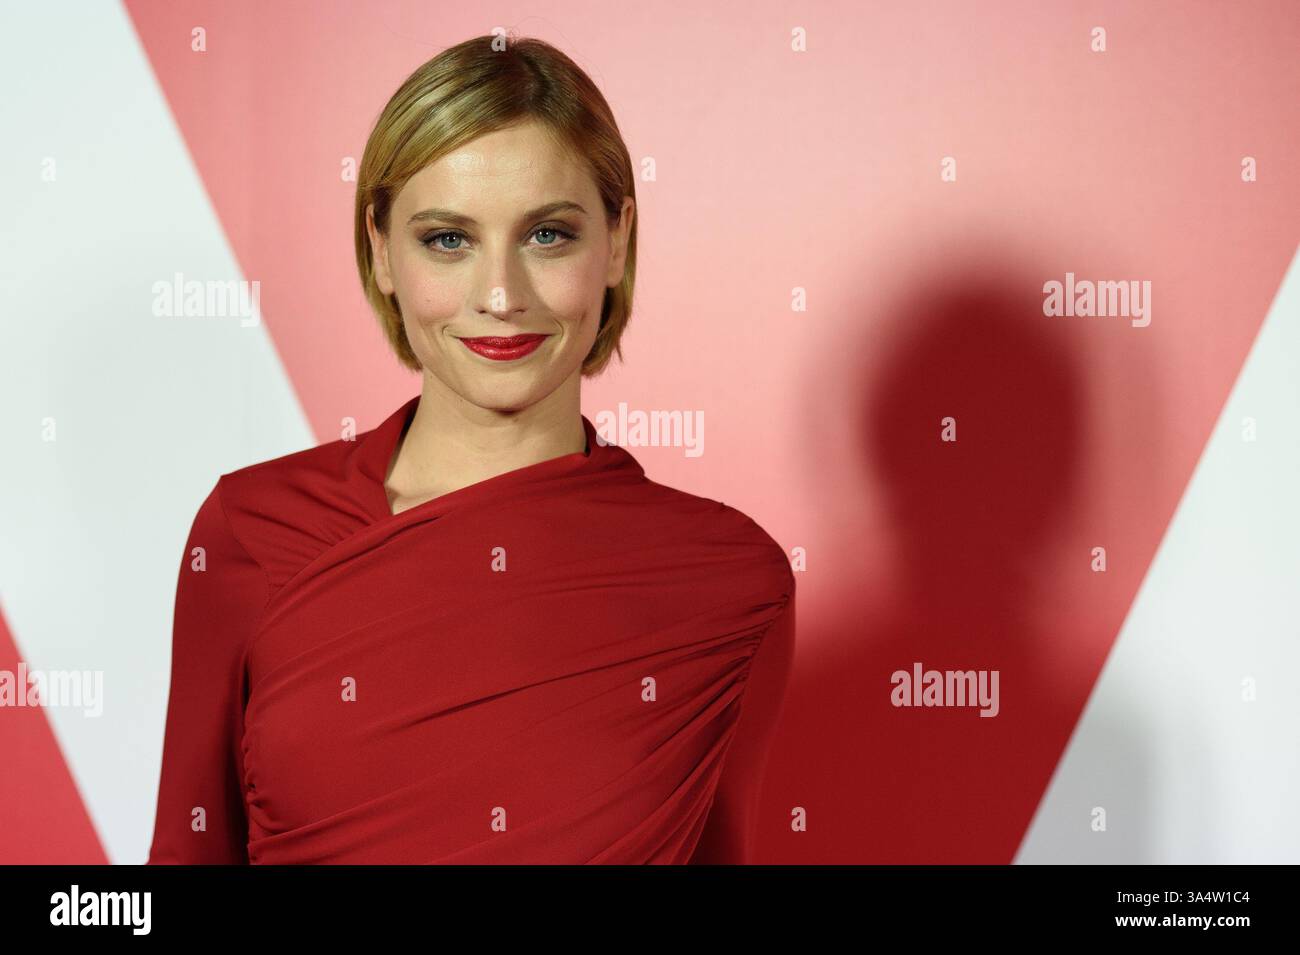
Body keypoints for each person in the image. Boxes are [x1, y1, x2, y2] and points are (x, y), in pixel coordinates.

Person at [147, 33, 795, 865]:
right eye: (448, 239)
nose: (500, 295)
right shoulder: (251, 531)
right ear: (382, 251)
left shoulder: (729, 580)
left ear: (618, 241)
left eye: (547, 235)